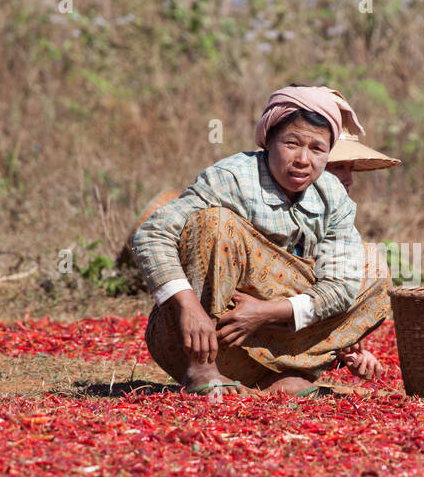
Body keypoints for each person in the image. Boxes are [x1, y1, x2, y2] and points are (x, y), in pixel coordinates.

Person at [130, 86, 399, 398]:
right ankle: (202, 369)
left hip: (277, 346)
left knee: (371, 266)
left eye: (317, 149)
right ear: (268, 140)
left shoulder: (333, 196)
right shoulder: (232, 178)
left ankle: (285, 378)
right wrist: (189, 307)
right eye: (292, 143)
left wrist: (264, 313)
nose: (303, 160)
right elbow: (151, 234)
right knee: (215, 223)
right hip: (202, 336)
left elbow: (340, 287)